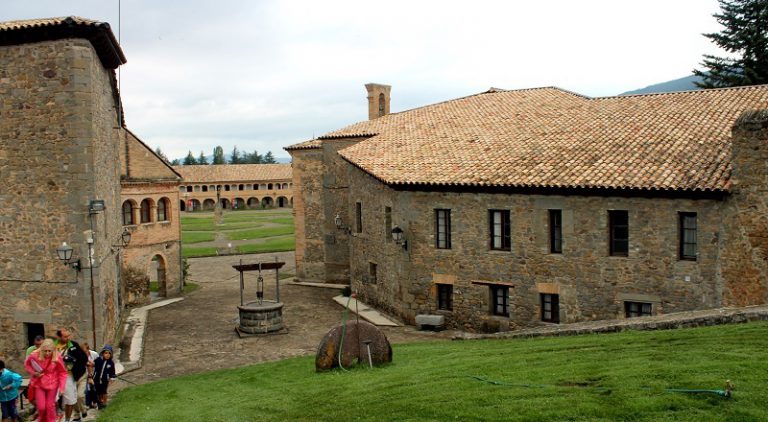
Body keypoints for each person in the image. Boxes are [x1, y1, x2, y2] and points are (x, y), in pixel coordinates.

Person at [24, 339, 67, 422]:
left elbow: (62, 372)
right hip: (39, 383)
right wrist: (34, 373)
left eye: (49, 351)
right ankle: (42, 419)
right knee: (41, 407)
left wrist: (62, 387)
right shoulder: (34, 355)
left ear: (53, 350)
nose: (47, 353)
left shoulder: (57, 357)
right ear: (41, 349)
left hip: (53, 383)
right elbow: (27, 365)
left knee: (50, 406)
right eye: (45, 351)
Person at [54, 329, 87, 422]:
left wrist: (73, 362)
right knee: (53, 398)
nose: (68, 338)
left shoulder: (74, 345)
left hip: (69, 375)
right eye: (65, 337)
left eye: (69, 336)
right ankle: (56, 414)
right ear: (59, 337)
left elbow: (84, 359)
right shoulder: (52, 346)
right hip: (54, 376)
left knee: (71, 398)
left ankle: (68, 419)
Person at [81, 343, 98, 409]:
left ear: (88, 349)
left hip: (94, 373)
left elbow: (99, 363)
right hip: (85, 375)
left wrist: (93, 364)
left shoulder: (94, 354)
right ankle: (88, 404)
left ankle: (95, 402)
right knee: (87, 390)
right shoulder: (80, 356)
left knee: (94, 388)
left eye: (85, 352)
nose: (83, 353)